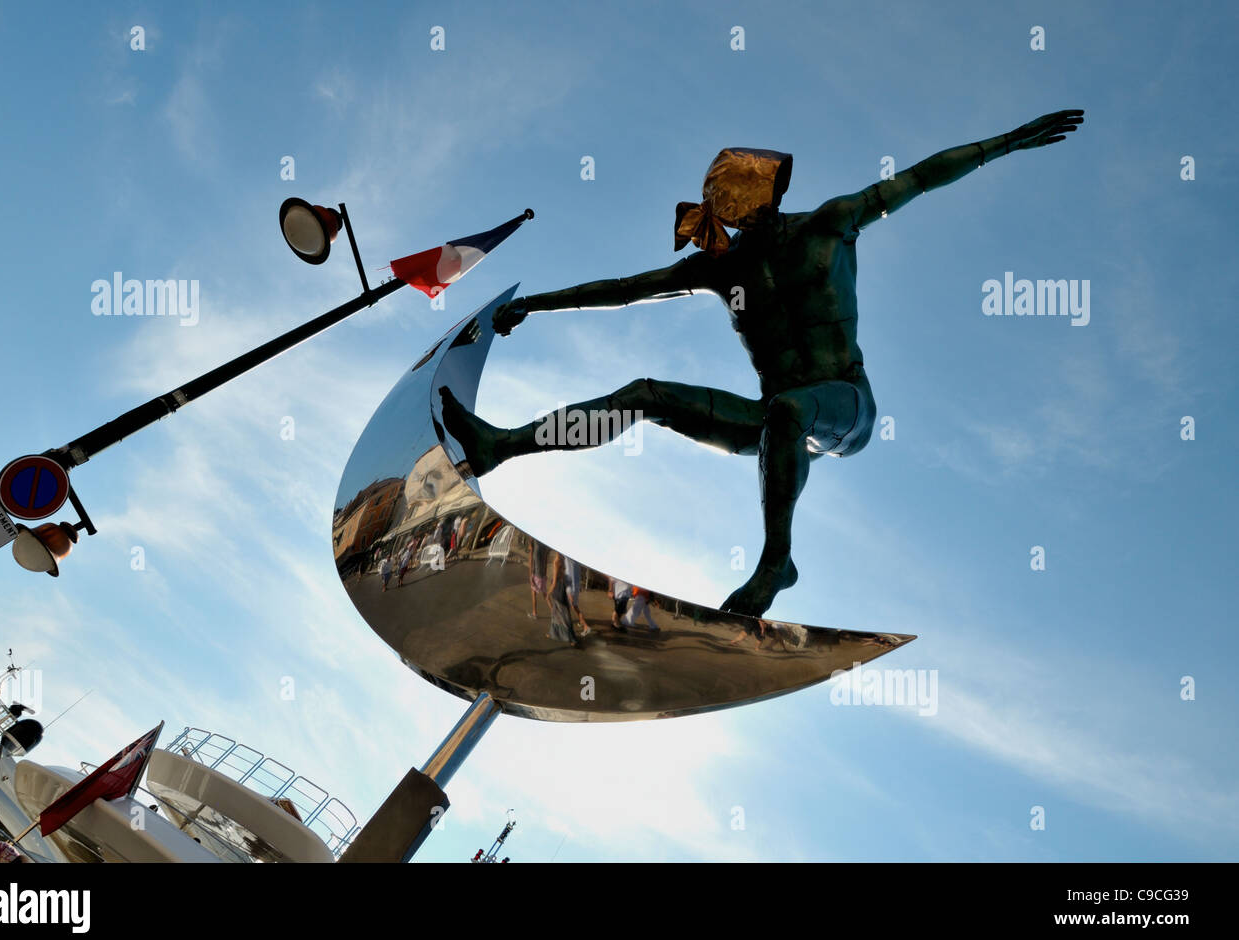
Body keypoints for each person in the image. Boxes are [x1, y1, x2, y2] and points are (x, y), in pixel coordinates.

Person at [441, 112, 1084, 616]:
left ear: (765, 195)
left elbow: (915, 179)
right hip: (775, 416)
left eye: (736, 204)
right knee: (647, 394)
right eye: (726, 210)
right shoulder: (725, 268)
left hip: (844, 407)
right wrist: (537, 306)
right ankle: (504, 445)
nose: (731, 219)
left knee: (791, 407)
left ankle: (778, 561)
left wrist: (1005, 143)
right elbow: (624, 288)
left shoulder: (830, 225)